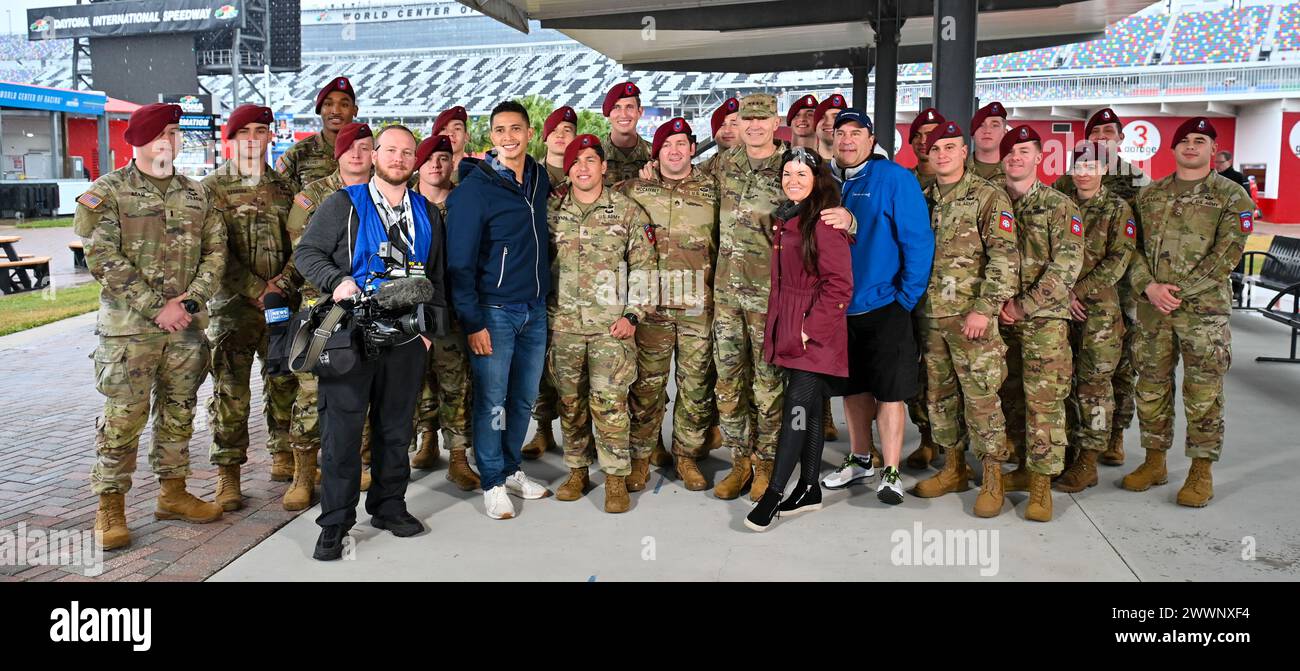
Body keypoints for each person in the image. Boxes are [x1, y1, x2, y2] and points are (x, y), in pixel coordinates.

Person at [75, 103, 227, 550]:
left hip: (185, 328)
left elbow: (216, 253)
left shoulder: (197, 193)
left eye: (175, 133)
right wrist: (157, 307)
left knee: (180, 411)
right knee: (124, 417)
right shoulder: (107, 192)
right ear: (138, 140)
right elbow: (102, 258)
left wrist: (190, 302)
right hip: (130, 331)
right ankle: (110, 506)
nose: (169, 141)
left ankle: (173, 493)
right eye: (161, 134)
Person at [293, 125, 448, 560]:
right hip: (351, 333)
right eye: (391, 150)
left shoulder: (426, 211)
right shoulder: (343, 204)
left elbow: (437, 274)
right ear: (375, 155)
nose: (399, 158)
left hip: (407, 336)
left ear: (415, 161)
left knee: (396, 429)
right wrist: (336, 280)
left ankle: (389, 506)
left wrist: (428, 334)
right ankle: (335, 522)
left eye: (407, 152)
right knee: (341, 433)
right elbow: (306, 254)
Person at [1123, 117, 1253, 508]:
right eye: (1185, 140)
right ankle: (1155, 461)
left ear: (1213, 149)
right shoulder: (1150, 195)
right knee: (1150, 386)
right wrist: (1149, 287)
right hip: (1153, 309)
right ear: (1174, 148)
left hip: (1204, 313)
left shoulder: (1231, 196)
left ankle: (1200, 470)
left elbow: (1228, 255)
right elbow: (1132, 249)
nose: (1191, 146)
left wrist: (1177, 292)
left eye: (1200, 140)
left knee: (1203, 392)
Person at [817, 110, 934, 505]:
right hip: (840, 309)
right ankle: (860, 458)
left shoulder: (895, 178)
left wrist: (905, 299)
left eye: (857, 133)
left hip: (885, 305)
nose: (847, 140)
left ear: (871, 140)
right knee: (853, 389)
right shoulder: (826, 180)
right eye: (841, 133)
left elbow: (918, 242)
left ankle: (891, 470)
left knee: (889, 392)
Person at [446, 100, 554, 520]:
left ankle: (511, 469)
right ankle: (491, 480)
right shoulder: (474, 191)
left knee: (523, 398)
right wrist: (473, 321)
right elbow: (459, 264)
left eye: (516, 129)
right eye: (500, 130)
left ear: (530, 133)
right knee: (493, 400)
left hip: (534, 310)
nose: (509, 137)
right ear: (490, 137)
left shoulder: (539, 179)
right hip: (494, 311)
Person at [911, 121, 1019, 519]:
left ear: (963, 152)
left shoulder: (987, 196)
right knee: (938, 396)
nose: (942, 155)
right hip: (930, 315)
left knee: (981, 397)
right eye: (935, 149)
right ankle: (954, 468)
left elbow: (1005, 257)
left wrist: (985, 308)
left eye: (950, 147)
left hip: (970, 317)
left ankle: (992, 477)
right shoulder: (923, 198)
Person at [745, 147, 853, 531]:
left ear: (817, 180)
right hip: (792, 325)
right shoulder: (789, 216)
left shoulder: (823, 222)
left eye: (801, 175)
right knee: (809, 411)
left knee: (795, 410)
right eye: (787, 174)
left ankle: (774, 493)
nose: (792, 181)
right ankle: (809, 487)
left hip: (814, 332)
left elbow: (840, 285)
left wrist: (810, 328)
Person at [546, 135, 656, 512]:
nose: (583, 168)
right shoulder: (551, 210)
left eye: (590, 160)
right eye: (576, 162)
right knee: (570, 403)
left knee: (610, 404)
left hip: (611, 327)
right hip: (563, 326)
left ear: (603, 167)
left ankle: (615, 477)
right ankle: (578, 470)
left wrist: (633, 314)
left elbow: (645, 266)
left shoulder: (626, 211)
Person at [203, 104, 298, 511]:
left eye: (261, 131)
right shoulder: (211, 189)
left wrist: (280, 286)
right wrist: (258, 288)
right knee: (231, 392)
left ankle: (283, 452)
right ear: (231, 138)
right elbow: (213, 252)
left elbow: (302, 243)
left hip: (280, 304)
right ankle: (228, 474)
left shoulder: (284, 188)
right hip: (233, 309)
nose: (254, 139)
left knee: (284, 380)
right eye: (245, 132)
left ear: (270, 137)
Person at [620, 118, 723, 492]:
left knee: (695, 386)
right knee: (647, 387)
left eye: (681, 143)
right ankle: (642, 457)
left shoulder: (714, 190)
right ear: (656, 153)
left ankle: (686, 456)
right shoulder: (635, 189)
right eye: (667, 145)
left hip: (698, 307)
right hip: (652, 308)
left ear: (692, 148)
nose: (675, 151)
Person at [279, 122, 376, 511]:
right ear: (337, 153)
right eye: (350, 147)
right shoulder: (314, 195)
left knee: (361, 386)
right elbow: (301, 250)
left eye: (365, 147)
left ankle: (358, 462)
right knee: (310, 391)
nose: (357, 154)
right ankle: (304, 472)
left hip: (368, 306)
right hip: (321, 306)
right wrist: (335, 281)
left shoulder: (383, 192)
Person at [995, 125, 1084, 522]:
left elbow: (1066, 267)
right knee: (1009, 396)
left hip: (1043, 321)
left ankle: (1042, 484)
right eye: (1010, 152)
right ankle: (1021, 465)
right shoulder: (992, 201)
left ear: (1039, 157)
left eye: (1024, 151)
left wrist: (1024, 305)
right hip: (999, 318)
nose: (1016, 157)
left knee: (1044, 403)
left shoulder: (1059, 205)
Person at [1054, 108, 1148, 467]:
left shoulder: (1136, 182)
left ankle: (1114, 435)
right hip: (1070, 293)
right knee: (1076, 369)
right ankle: (1074, 441)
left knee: (1117, 370)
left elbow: (1135, 246)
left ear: (1120, 139)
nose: (1102, 137)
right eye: (1096, 132)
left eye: (1109, 131)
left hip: (1119, 292)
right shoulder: (1066, 185)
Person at [409, 135, 481, 491]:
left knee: (456, 382)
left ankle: (458, 456)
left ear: (453, 162)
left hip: (454, 309)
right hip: (412, 309)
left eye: (442, 158)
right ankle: (426, 438)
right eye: (428, 159)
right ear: (417, 165)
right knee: (415, 381)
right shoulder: (403, 202)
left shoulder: (466, 201)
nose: (436, 165)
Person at [522, 105, 580, 459]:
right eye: (555, 130)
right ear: (544, 137)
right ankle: (543, 429)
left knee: (575, 367)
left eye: (568, 130)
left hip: (577, 282)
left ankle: (581, 436)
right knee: (540, 363)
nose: (561, 136)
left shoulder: (582, 173)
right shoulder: (530, 175)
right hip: (538, 280)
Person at [901, 107, 946, 469]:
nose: (924, 141)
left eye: (932, 134)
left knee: (951, 373)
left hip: (953, 298)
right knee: (915, 372)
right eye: (918, 135)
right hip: (910, 293)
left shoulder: (966, 184)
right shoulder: (903, 182)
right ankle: (927, 437)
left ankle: (955, 446)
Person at [277, 76, 358, 192]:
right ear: (319, 109)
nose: (336, 111)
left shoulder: (371, 152)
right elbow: (281, 198)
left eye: (344, 105)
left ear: (355, 110)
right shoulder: (296, 154)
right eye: (328, 104)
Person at [600, 81, 653, 185]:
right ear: (608, 115)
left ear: (640, 112)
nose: (623, 115)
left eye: (629, 107)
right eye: (616, 107)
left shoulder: (657, 156)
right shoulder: (594, 156)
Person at [968, 101, 1008, 182]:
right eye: (980, 125)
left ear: (1005, 133)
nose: (987, 131)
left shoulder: (1015, 171)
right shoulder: (957, 169)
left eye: (995, 125)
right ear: (972, 134)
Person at [699, 97, 740, 175]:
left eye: (734, 124)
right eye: (722, 124)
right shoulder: (700, 172)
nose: (727, 130)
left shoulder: (761, 167)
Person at [433, 106, 471, 185]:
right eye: (443, 129)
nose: (450, 133)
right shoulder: (419, 179)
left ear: (467, 136)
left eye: (457, 128)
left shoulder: (479, 175)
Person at [813, 93, 849, 160]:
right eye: (822, 117)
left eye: (836, 117)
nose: (828, 122)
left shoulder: (860, 163)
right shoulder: (802, 161)